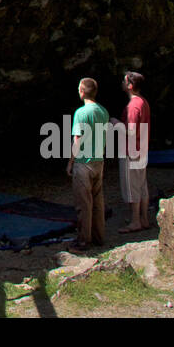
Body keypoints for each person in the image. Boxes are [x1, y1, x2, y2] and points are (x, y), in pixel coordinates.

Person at [67, 77, 109, 250]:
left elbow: (77, 140)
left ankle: (84, 240)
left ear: (82, 92)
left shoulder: (81, 113)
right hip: (99, 161)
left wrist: (71, 161)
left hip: (84, 162)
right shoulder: (103, 111)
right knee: (98, 202)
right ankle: (99, 236)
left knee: (84, 204)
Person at [118, 72, 151, 232]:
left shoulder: (133, 106)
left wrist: (115, 123)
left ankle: (135, 221)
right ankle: (144, 218)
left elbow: (130, 130)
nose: (122, 83)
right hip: (142, 148)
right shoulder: (143, 102)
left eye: (124, 81)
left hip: (131, 150)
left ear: (130, 86)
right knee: (142, 185)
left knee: (131, 187)